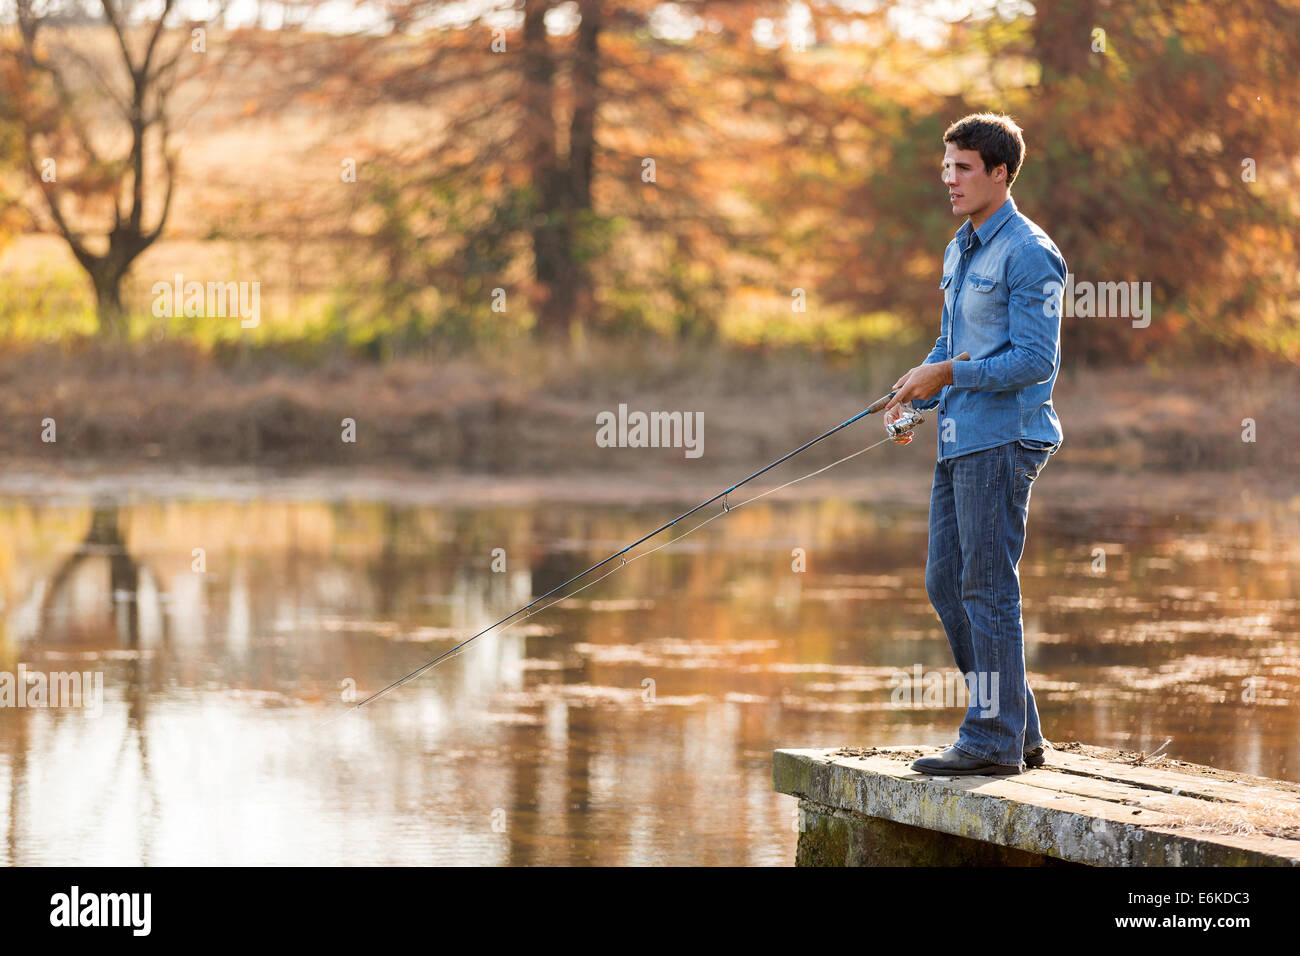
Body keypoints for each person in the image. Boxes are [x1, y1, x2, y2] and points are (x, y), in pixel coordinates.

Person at [883, 112, 1066, 776]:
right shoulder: (960, 247)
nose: (949, 179)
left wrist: (949, 373)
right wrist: (915, 391)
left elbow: (1034, 363)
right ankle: (1020, 732)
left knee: (987, 588)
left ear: (999, 172)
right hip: (959, 441)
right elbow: (948, 344)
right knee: (946, 584)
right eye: (945, 166)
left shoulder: (1029, 252)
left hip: (1004, 441)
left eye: (962, 167)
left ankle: (991, 739)